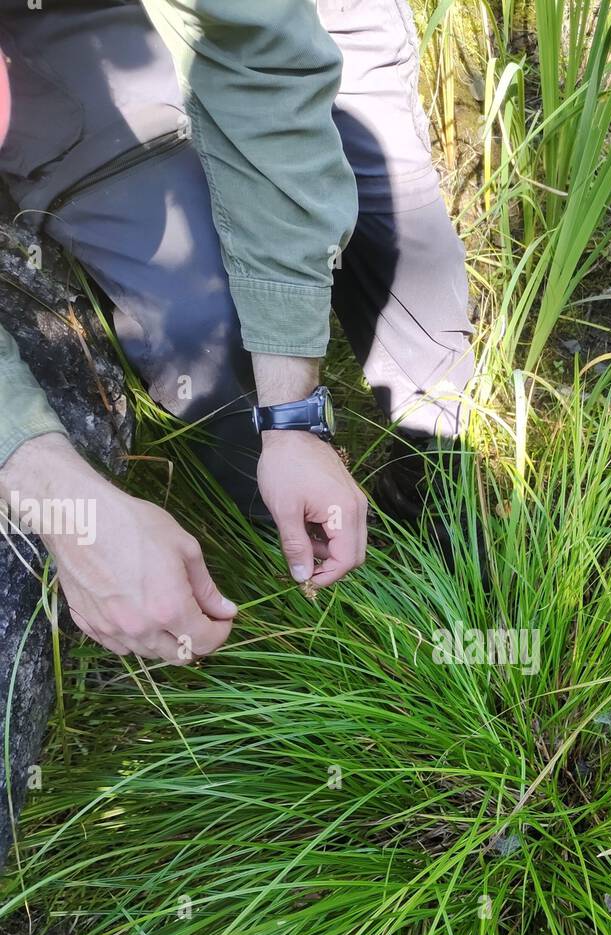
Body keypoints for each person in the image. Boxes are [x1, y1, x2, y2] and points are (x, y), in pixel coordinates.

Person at [0, 0, 474, 663]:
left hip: (271, 20)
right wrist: (57, 495)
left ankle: (446, 494)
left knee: (402, 227)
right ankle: (308, 607)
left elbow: (268, 55)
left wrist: (293, 416)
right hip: (52, 35)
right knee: (199, 322)